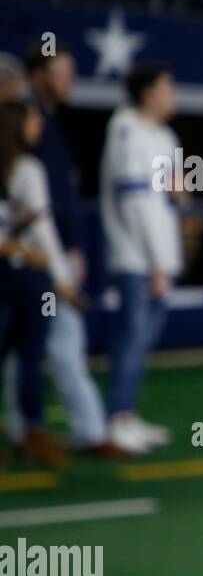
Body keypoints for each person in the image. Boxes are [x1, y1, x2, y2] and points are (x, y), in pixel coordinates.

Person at [5, 46, 127, 457]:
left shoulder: (47, 128)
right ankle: (42, 431)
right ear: (37, 77)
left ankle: (71, 431)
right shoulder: (22, 133)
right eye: (61, 72)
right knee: (28, 347)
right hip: (27, 265)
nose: (71, 80)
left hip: (39, 263)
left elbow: (51, 205)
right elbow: (38, 215)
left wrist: (66, 253)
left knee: (47, 344)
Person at [100, 61, 182, 454]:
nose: (173, 95)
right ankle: (115, 418)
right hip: (137, 259)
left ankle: (126, 414)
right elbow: (135, 204)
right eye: (168, 86)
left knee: (140, 341)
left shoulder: (163, 135)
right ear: (148, 91)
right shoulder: (126, 131)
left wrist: (179, 189)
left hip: (156, 259)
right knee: (132, 339)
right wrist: (156, 263)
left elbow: (168, 192)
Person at [0, 99, 80, 467]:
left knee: (31, 358)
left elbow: (41, 228)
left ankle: (32, 433)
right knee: (28, 358)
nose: (39, 127)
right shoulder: (27, 169)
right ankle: (31, 434)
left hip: (28, 279)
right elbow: (41, 232)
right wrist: (60, 276)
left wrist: (58, 274)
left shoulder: (30, 167)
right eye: (33, 121)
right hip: (20, 276)